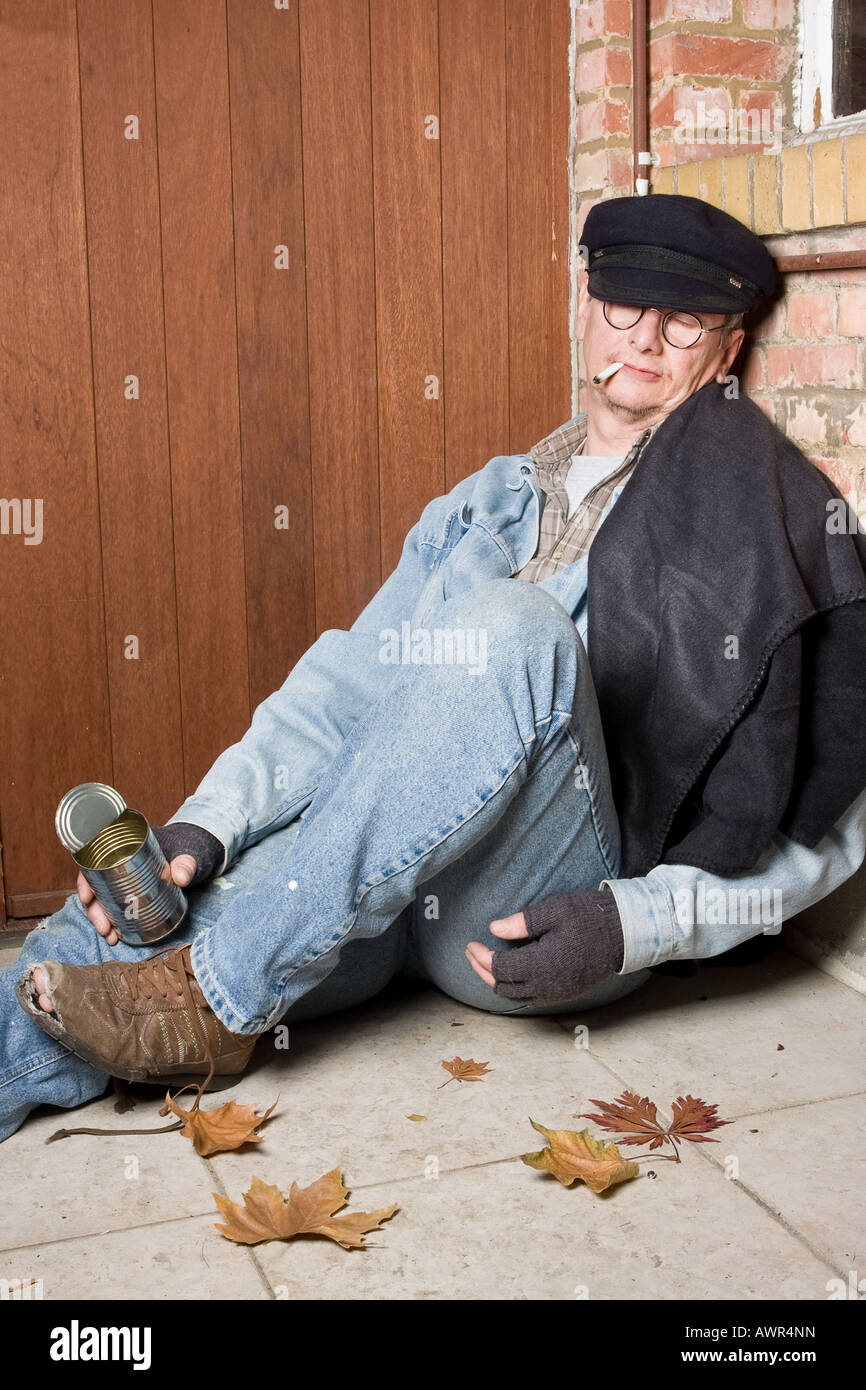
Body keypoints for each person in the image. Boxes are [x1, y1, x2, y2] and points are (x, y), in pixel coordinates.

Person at [5, 193, 866, 1144]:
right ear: (584, 302)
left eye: (685, 323)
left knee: (509, 628)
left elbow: (824, 822)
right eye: (626, 307)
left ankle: (220, 996)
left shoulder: (756, 511)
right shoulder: (484, 500)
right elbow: (344, 689)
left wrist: (638, 924)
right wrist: (212, 823)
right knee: (124, 932)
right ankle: (171, 996)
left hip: (533, 915)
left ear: (729, 349)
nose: (647, 341)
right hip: (366, 895)